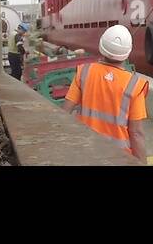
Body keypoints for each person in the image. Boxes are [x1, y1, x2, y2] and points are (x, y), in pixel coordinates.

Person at [62, 25, 148, 160]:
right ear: (127, 52)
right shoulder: (134, 84)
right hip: (119, 157)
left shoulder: (84, 72)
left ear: (102, 47)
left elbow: (64, 112)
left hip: (86, 152)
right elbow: (136, 133)